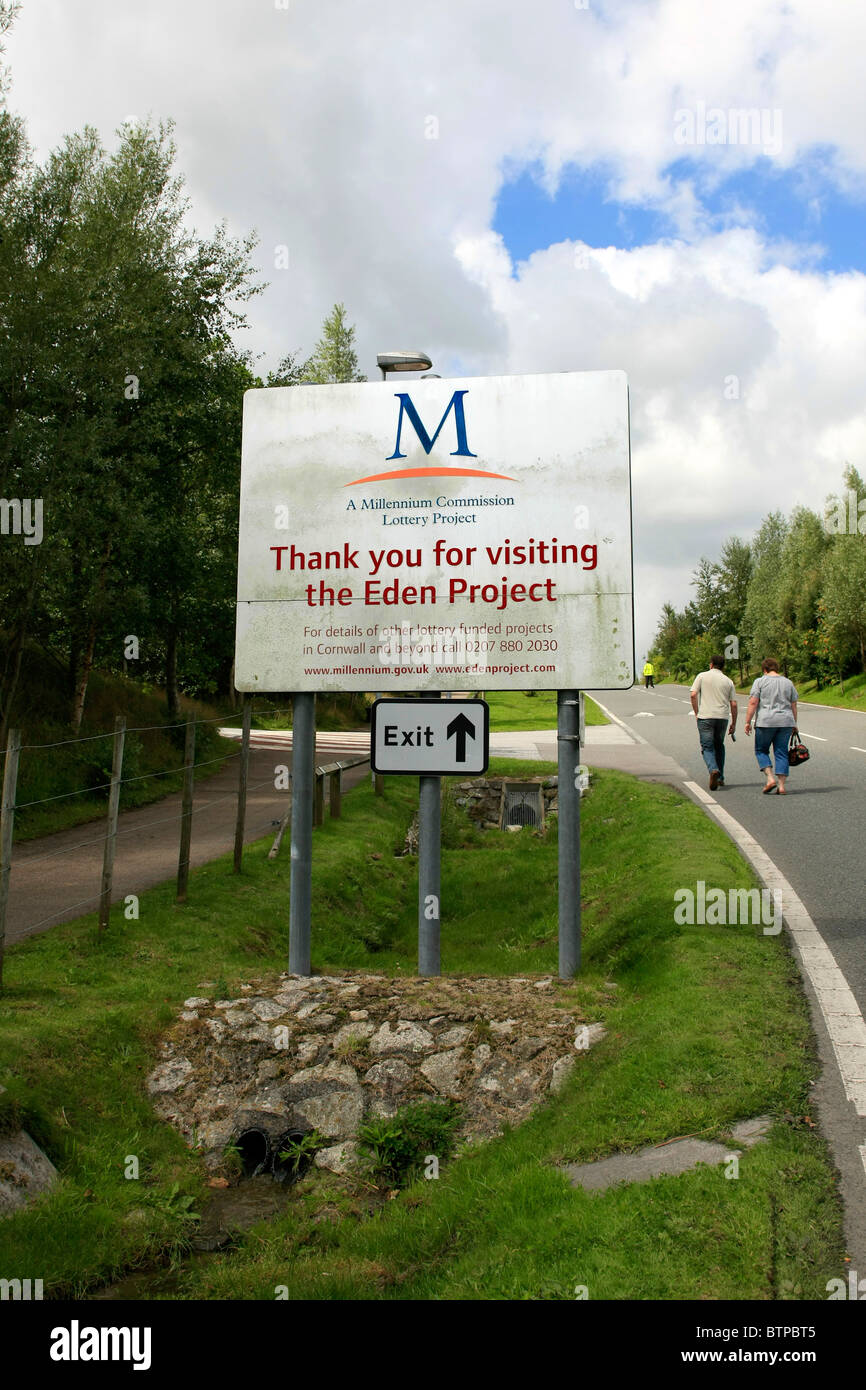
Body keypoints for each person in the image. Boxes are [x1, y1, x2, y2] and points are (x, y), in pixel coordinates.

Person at [745, 659, 798, 795]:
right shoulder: (788, 682)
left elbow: (753, 702)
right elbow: (793, 705)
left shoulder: (760, 682)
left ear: (764, 670)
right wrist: (794, 724)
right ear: (777, 668)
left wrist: (748, 721)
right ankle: (781, 786)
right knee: (781, 752)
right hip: (786, 721)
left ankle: (770, 779)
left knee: (761, 750)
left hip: (766, 721)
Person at [690, 655, 737, 790]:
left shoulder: (702, 676)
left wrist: (696, 712)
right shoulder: (728, 681)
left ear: (711, 664)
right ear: (723, 666)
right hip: (722, 718)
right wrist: (734, 723)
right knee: (719, 745)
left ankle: (713, 769)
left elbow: (693, 695)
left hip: (705, 717)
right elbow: (733, 704)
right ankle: (720, 777)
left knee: (707, 747)